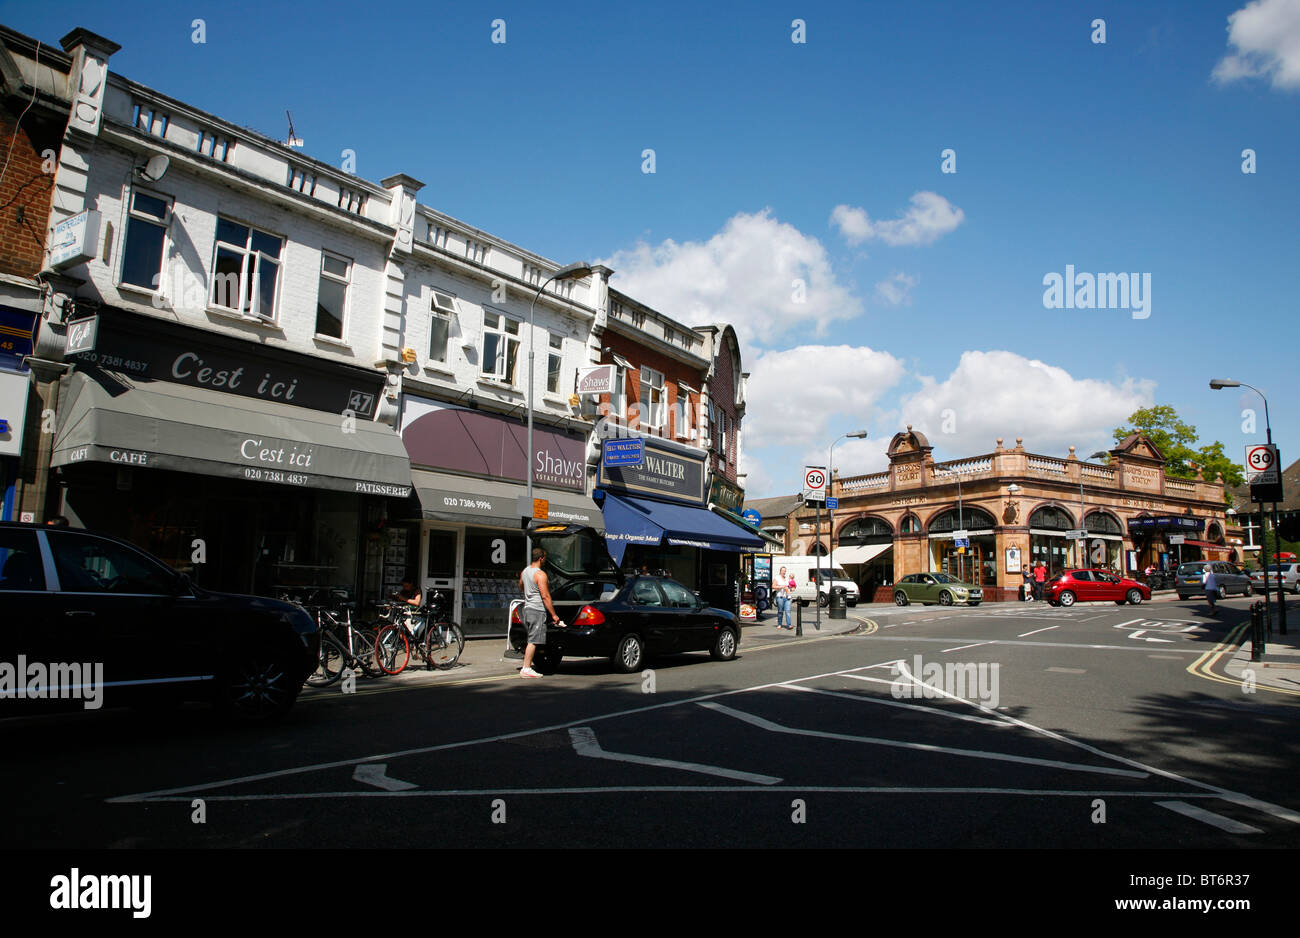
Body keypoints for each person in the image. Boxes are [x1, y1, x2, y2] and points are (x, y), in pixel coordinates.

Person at [519, 547, 563, 678]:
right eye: (544, 558)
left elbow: (520, 585)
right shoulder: (540, 574)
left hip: (527, 608)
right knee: (533, 640)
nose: (545, 560)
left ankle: (527, 667)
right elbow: (545, 596)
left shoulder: (525, 571)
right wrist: (554, 615)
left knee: (531, 638)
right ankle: (526, 668)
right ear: (541, 558)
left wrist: (529, 592)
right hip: (536, 610)